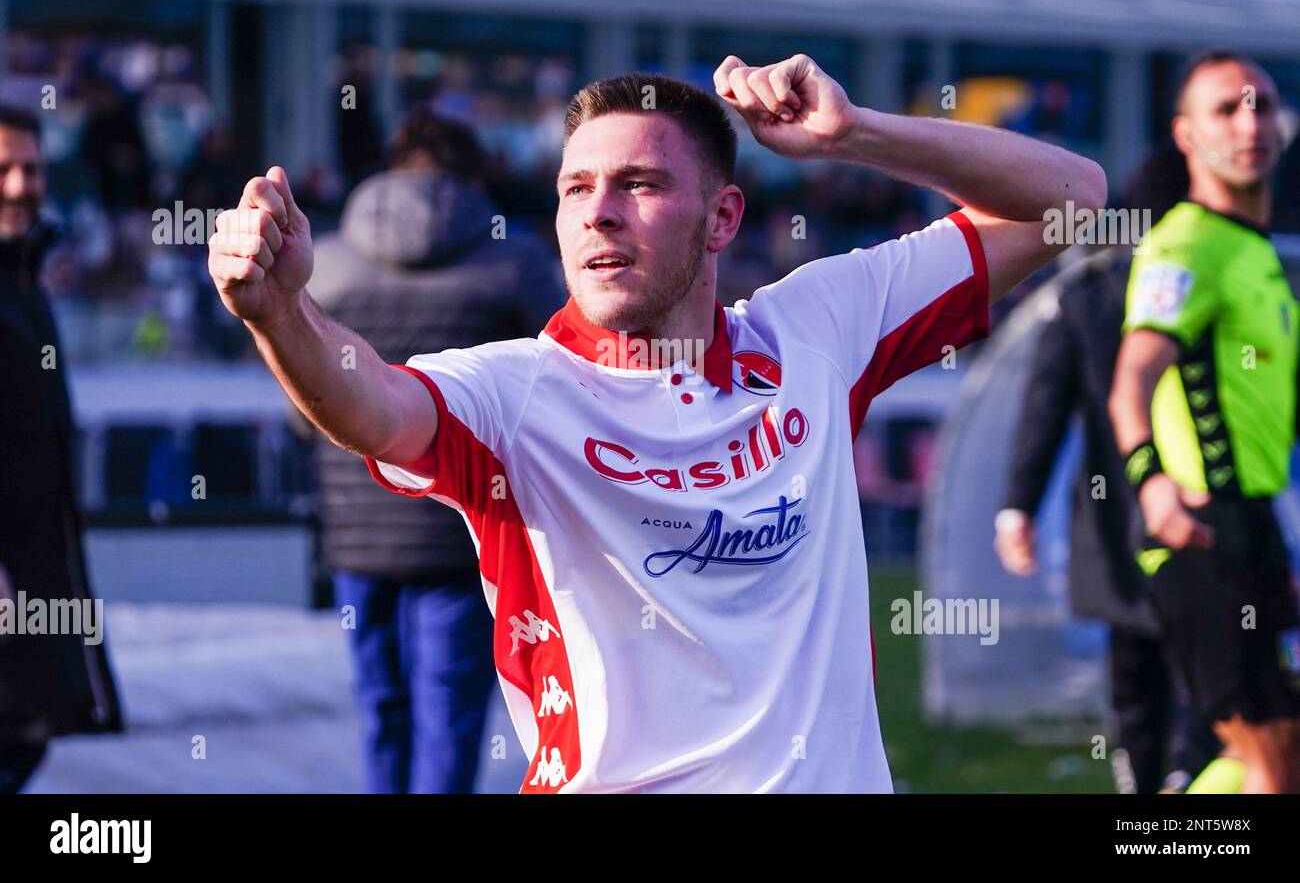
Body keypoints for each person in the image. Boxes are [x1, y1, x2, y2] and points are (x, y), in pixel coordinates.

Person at [207, 54, 1105, 792]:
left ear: (723, 217)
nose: (599, 211)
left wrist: (854, 133)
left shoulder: (816, 330)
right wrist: (281, 315)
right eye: (576, 188)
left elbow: (1070, 198)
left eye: (638, 184)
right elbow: (368, 405)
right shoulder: (513, 393)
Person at [306, 110, 564, 793]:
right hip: (463, 529)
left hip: (357, 529)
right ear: (473, 176)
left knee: (379, 707)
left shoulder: (327, 264)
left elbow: (303, 407)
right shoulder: (517, 262)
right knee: (448, 717)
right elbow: (561, 383)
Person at [994, 152, 1217, 792]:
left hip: (1114, 521)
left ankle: (1149, 787)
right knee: (1203, 671)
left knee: (1134, 676)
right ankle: (1184, 779)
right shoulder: (1211, 281)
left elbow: (1045, 406)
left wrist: (1017, 508)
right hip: (1199, 512)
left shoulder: (1084, 294)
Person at [1110, 52, 1300, 794]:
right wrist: (1152, 484)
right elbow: (1132, 381)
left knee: (1273, 755)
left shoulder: (1253, 251)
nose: (1250, 125)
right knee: (1271, 757)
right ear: (1186, 135)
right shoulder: (1186, 243)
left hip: (1253, 526)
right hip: (1200, 530)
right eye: (1226, 109)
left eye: (1262, 105)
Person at [0, 104, 124, 793]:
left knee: (31, 739)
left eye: (31, 169)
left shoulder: (24, 278)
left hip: (38, 585)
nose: (21, 186)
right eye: (3, 170)